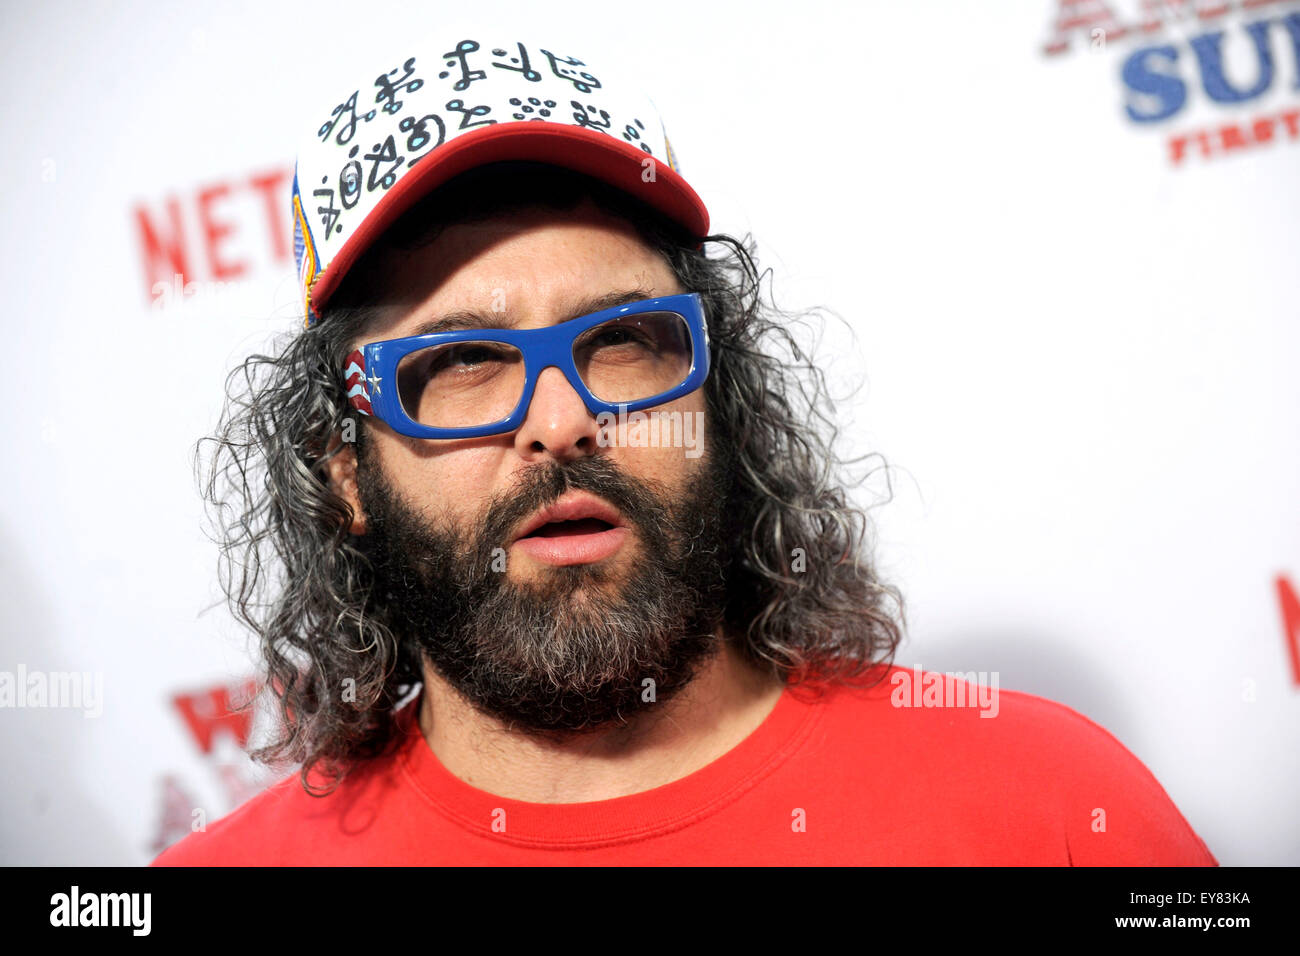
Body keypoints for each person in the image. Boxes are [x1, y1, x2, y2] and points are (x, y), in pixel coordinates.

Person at [154, 34, 1216, 865]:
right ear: (342, 468)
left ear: (719, 394)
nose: (561, 419)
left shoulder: (1049, 803)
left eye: (621, 340)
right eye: (463, 362)